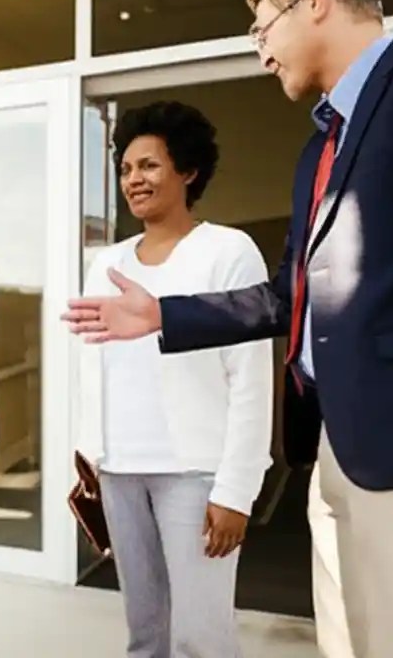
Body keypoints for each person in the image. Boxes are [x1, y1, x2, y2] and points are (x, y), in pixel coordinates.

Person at [61, 0, 393, 655]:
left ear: (314, 1)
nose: (261, 54)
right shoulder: (320, 149)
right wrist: (162, 314)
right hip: (337, 450)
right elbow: (290, 297)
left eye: (262, 30)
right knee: (354, 640)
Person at [77, 101, 273, 657]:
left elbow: (251, 379)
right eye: (125, 168)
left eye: (149, 165)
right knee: (145, 636)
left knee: (200, 639)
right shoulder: (106, 263)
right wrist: (89, 453)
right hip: (120, 471)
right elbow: (93, 364)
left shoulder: (228, 251)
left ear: (188, 169)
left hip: (196, 475)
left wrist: (236, 491)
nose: (133, 179)